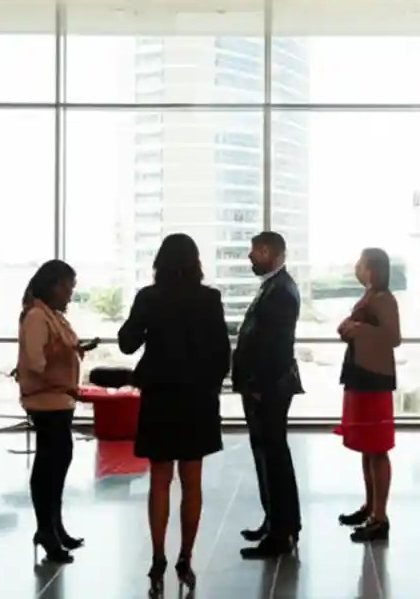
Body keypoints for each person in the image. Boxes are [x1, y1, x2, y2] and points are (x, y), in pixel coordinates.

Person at [118, 234, 231, 592]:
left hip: (161, 397)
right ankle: (186, 556)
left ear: (160, 262)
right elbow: (221, 353)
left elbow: (127, 342)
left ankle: (157, 558)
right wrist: (208, 385)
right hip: (197, 398)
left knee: (159, 481)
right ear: (196, 261)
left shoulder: (149, 298)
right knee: (192, 481)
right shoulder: (210, 298)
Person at [232, 231, 304, 559]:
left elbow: (276, 345)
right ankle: (276, 520)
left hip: (269, 386)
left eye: (254, 252)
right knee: (266, 454)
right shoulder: (275, 286)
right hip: (264, 385)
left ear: (268, 251)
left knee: (273, 457)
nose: (250, 257)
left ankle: (282, 531)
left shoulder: (281, 291)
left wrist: (259, 384)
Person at [16, 260, 89, 565]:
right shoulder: (36, 317)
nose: (70, 294)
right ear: (54, 285)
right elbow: (37, 362)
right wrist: (64, 361)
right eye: (68, 287)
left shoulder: (52, 316)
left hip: (60, 401)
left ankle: (54, 527)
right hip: (46, 402)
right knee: (49, 467)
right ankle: (46, 530)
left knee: (57, 465)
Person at [335, 248, 401, 543]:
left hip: (375, 379)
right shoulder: (370, 296)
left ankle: (380, 516)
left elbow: (393, 337)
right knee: (366, 446)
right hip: (360, 375)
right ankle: (370, 507)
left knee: (377, 448)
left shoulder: (385, 299)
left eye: (360, 264)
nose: (356, 268)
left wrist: (358, 329)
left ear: (372, 269)